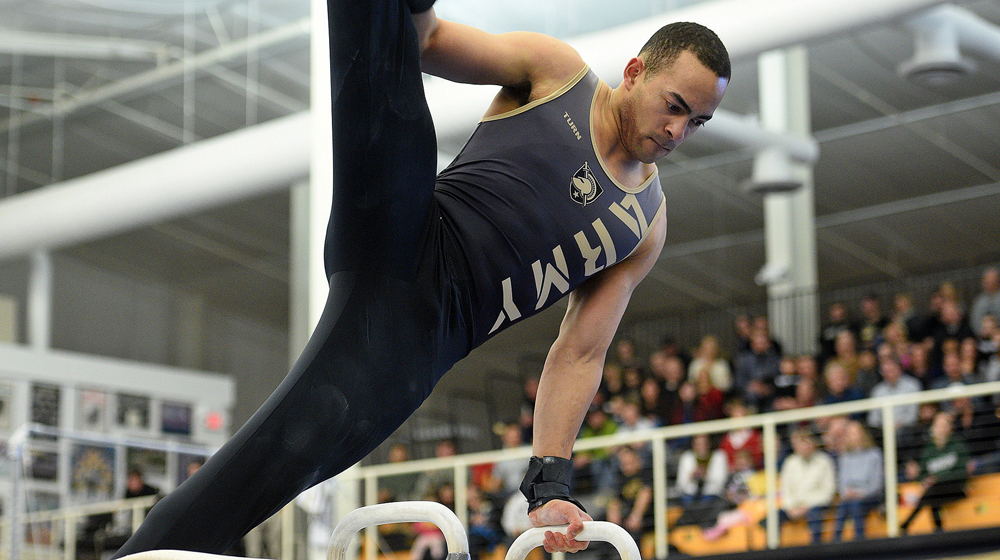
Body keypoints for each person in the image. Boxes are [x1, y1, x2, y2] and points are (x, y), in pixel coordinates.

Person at [113, 1, 730, 556]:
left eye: (697, 122)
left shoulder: (644, 226)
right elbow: (426, 39)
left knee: (272, 462)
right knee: (390, 97)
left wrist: (549, 484)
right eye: (674, 105)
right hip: (404, 227)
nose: (677, 131)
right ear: (635, 70)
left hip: (420, 340)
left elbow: (580, 352)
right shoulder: (557, 72)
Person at [900, 411, 970, 534]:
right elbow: (922, 474)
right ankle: (938, 530)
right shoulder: (928, 450)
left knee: (932, 492)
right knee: (932, 494)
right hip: (935, 491)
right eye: (938, 425)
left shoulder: (957, 445)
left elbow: (962, 472)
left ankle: (909, 523)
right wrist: (925, 480)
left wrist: (938, 478)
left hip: (957, 488)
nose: (940, 429)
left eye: (944, 425)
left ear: (950, 428)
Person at [779, 429, 835, 545]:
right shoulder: (790, 462)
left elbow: (828, 492)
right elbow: (785, 490)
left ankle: (816, 551)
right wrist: (791, 508)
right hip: (794, 507)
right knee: (772, 518)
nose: (801, 446)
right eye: (797, 443)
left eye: (803, 442)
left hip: (816, 506)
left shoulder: (824, 461)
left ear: (812, 443)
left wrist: (807, 506)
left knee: (815, 515)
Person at [832, 422, 883, 542]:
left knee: (855, 504)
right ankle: (835, 542)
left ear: (862, 434)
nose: (852, 436)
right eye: (849, 434)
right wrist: (846, 493)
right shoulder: (845, 456)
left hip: (870, 496)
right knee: (844, 504)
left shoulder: (874, 454)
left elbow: (877, 483)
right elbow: (842, 481)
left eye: (855, 433)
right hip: (850, 497)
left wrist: (861, 493)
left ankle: (859, 540)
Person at [970, 267, 1000, 338]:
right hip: (983, 336)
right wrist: (983, 332)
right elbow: (975, 320)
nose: (990, 283)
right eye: (988, 281)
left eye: (993, 280)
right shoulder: (978, 301)